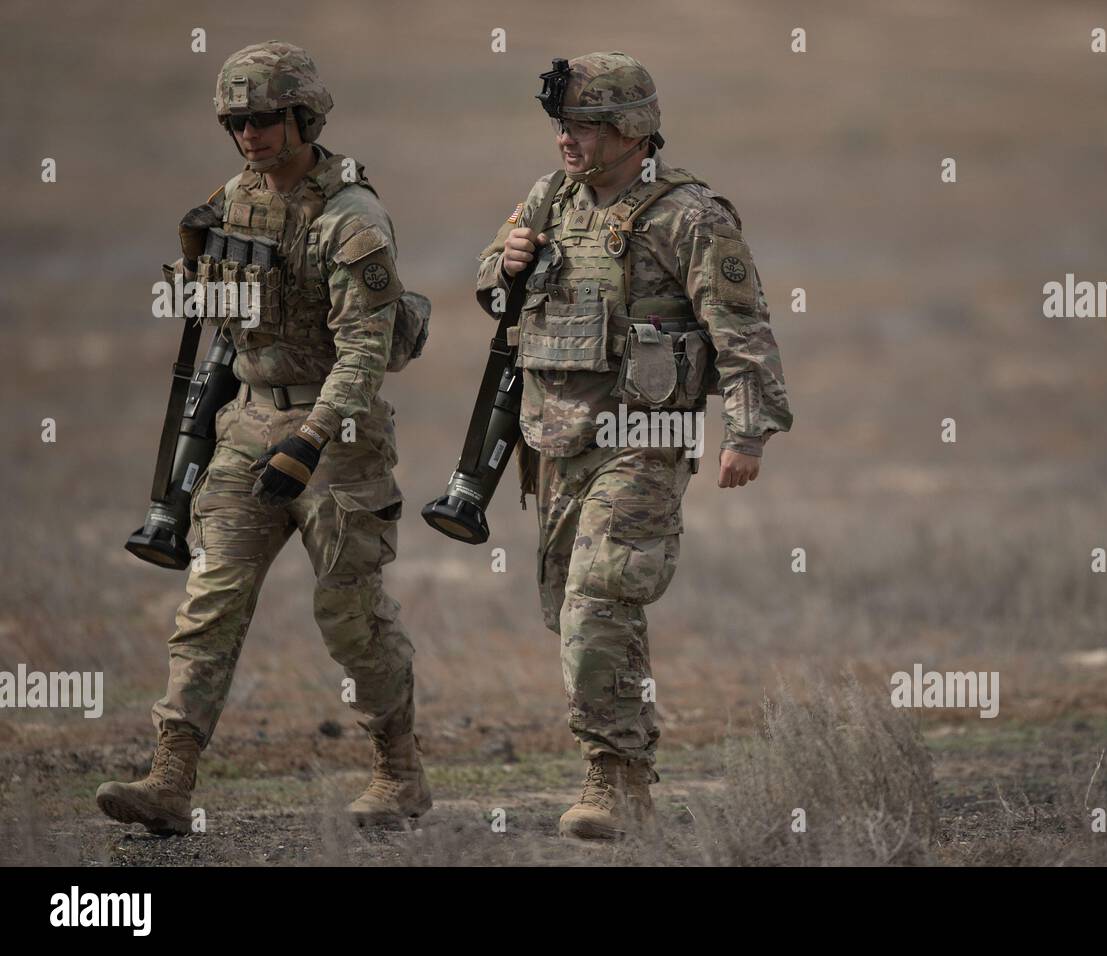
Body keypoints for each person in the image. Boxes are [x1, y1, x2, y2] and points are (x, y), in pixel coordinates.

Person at [98, 41, 431, 834]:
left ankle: (399, 771)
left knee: (349, 615)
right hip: (246, 422)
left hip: (337, 434)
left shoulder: (352, 218)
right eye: (236, 121)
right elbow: (213, 311)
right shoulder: (234, 200)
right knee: (209, 601)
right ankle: (170, 780)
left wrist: (311, 441)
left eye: (265, 119)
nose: (250, 134)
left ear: (304, 118)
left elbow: (364, 353)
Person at [474, 52, 793, 839]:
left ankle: (614, 780)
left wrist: (745, 430)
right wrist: (503, 266)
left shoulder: (691, 216)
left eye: (581, 124)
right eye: (561, 125)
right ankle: (627, 772)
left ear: (629, 130)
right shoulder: (550, 199)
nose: (566, 140)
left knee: (597, 598)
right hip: (556, 438)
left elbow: (742, 329)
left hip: (647, 436)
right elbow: (492, 288)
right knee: (575, 606)